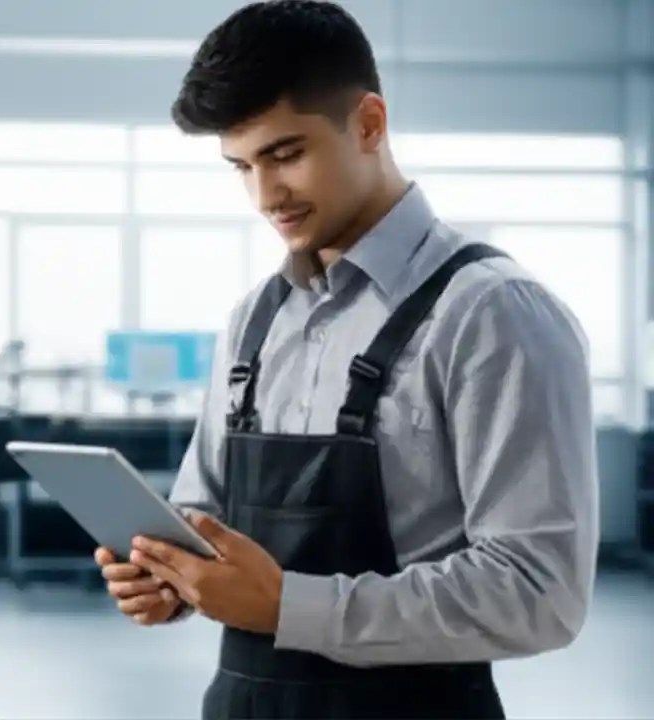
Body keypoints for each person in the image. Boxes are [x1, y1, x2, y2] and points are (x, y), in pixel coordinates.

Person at [93, 1, 599, 718]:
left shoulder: (493, 314)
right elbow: (201, 511)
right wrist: (170, 576)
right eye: (241, 166)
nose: (266, 196)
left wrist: (287, 605)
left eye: (286, 154)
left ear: (368, 124)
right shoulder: (253, 321)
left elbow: (538, 593)